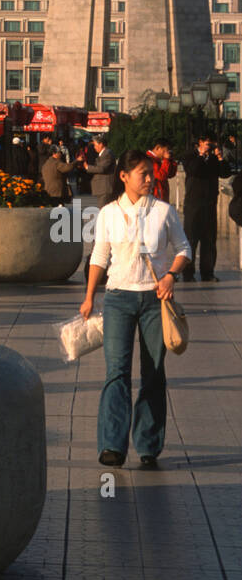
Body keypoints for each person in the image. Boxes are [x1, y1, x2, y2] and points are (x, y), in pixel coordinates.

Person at [81, 148, 192, 469]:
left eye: (151, 173)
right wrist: (89, 296)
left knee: (153, 374)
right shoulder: (109, 213)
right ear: (124, 177)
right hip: (118, 298)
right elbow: (99, 256)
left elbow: (183, 248)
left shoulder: (163, 211)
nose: (149, 178)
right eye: (142, 173)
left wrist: (171, 275)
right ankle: (112, 445)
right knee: (116, 372)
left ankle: (148, 445)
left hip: (155, 301)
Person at [181, 136, 233, 282]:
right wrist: (201, 154)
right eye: (207, 143)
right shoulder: (190, 155)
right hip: (193, 203)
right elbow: (193, 170)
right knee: (191, 239)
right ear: (200, 143)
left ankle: (207, 273)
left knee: (209, 240)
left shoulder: (214, 158)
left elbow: (225, 173)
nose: (209, 146)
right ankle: (188, 273)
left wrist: (220, 157)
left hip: (210, 203)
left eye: (211, 144)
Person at [82, 136, 116, 206]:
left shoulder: (107, 153)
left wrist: (88, 167)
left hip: (105, 188)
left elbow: (102, 168)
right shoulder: (103, 154)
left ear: (101, 144)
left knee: (103, 210)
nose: (94, 147)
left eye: (95, 145)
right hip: (102, 188)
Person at [147, 140, 177, 204]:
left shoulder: (158, 160)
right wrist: (166, 160)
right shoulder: (149, 159)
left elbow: (170, 174)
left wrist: (171, 160)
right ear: (158, 148)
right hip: (155, 199)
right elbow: (160, 176)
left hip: (162, 197)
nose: (167, 152)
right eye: (166, 150)